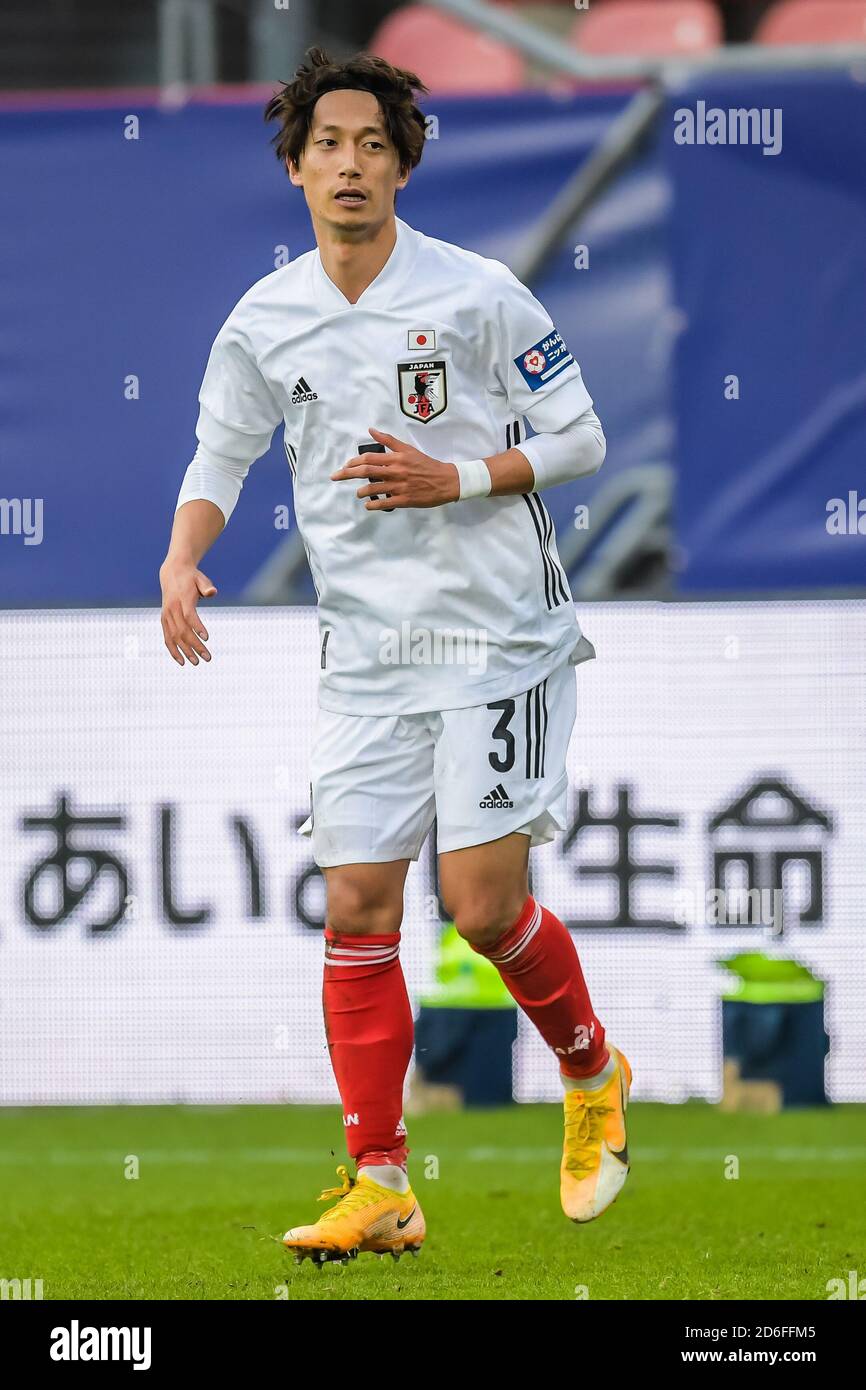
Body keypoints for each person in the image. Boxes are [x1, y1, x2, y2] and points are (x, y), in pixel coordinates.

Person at [159, 47, 631, 1266]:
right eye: (328, 144)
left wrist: (456, 476)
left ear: (403, 165)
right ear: (296, 165)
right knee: (356, 906)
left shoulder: (475, 294)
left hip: (495, 640)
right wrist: (180, 558)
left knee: (480, 906)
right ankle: (379, 1179)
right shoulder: (265, 319)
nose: (350, 164)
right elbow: (221, 457)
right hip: (364, 656)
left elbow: (580, 437)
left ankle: (590, 1074)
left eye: (372, 144)